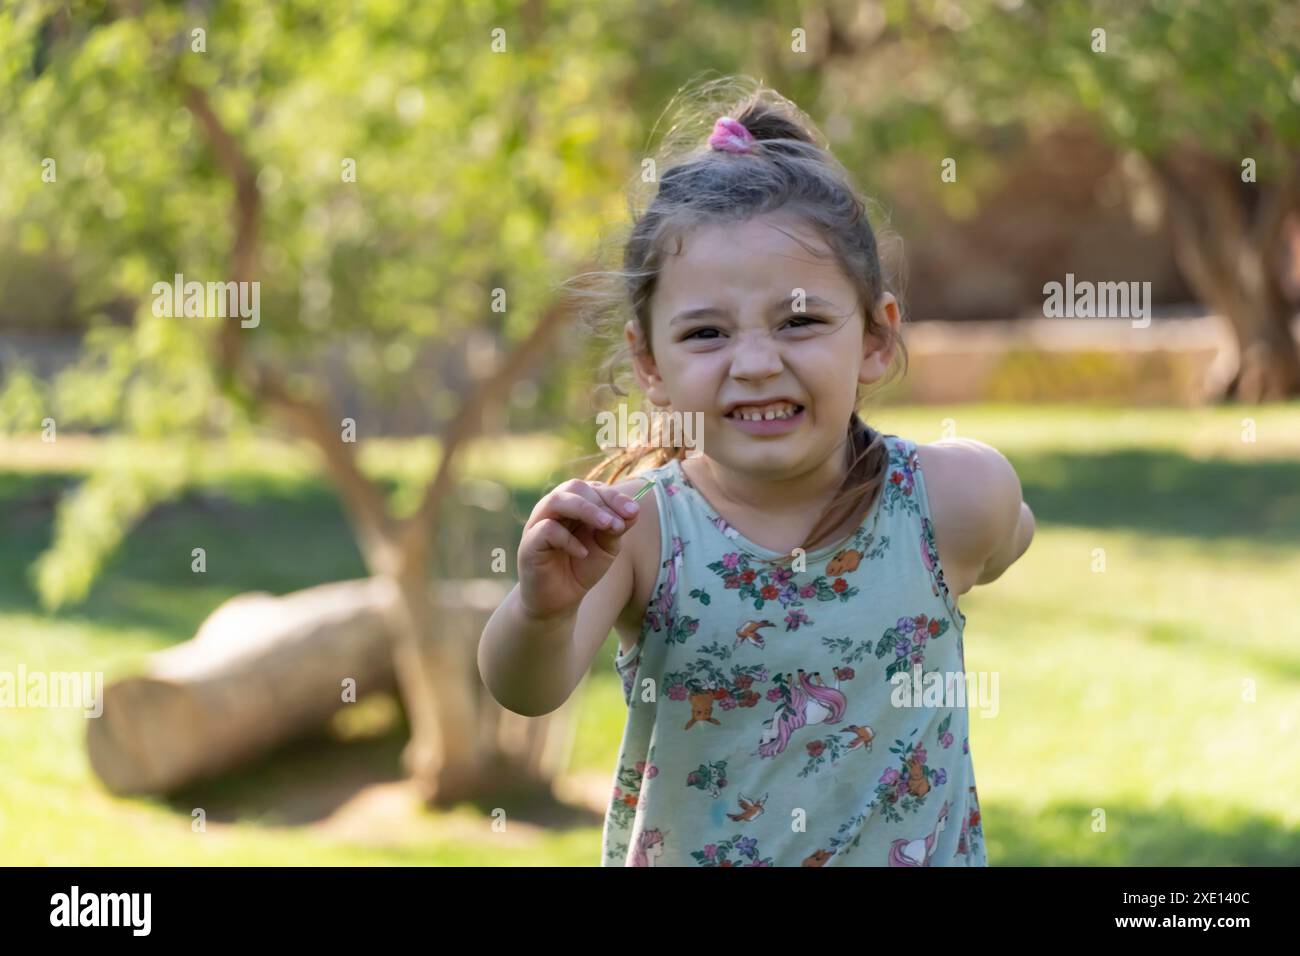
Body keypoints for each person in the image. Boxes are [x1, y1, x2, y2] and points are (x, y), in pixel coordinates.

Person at [478, 77, 1034, 866]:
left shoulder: (949, 501)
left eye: (800, 320)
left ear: (875, 337)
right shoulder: (636, 531)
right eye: (706, 333)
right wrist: (539, 613)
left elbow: (1008, 531)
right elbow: (525, 691)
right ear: (651, 364)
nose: (756, 363)